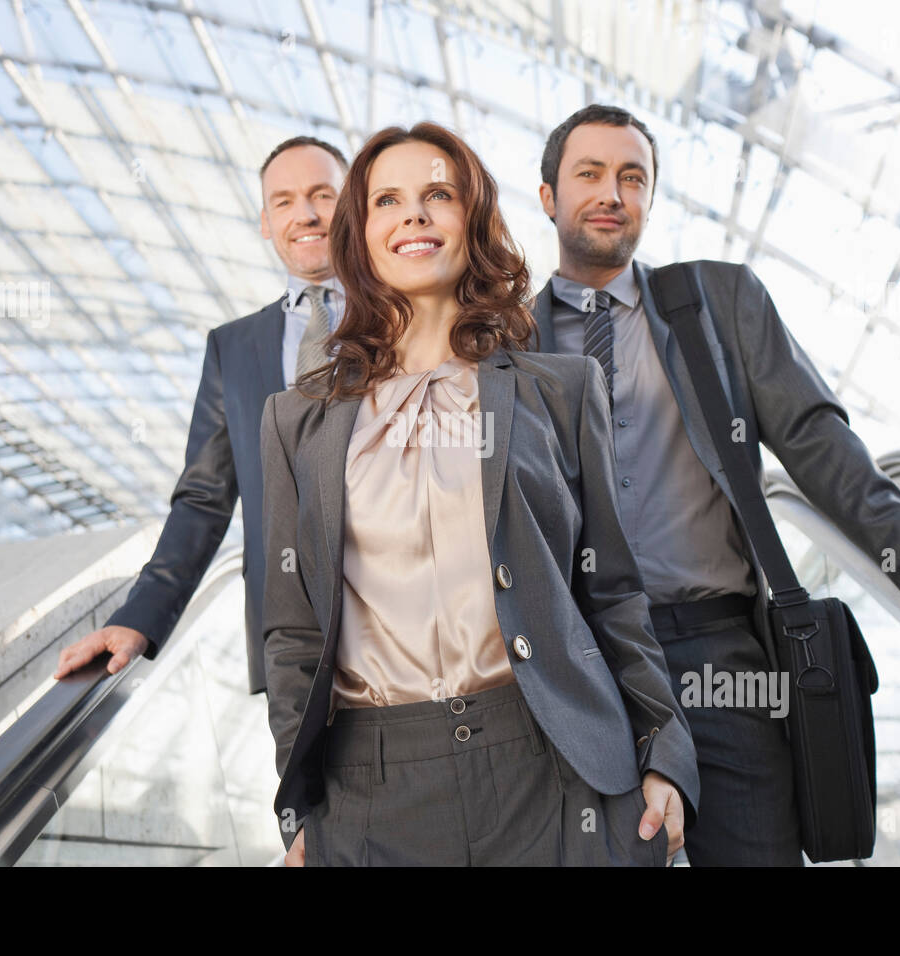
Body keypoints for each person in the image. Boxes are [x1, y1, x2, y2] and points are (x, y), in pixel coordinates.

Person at [530, 103, 900, 865]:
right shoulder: (507, 338)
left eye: (632, 176)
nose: (613, 192)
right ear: (548, 196)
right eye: (590, 174)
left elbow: (815, 439)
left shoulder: (717, 302)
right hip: (577, 663)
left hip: (717, 653)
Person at [259, 121, 699, 866]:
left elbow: (613, 592)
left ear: (476, 220)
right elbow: (293, 631)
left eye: (439, 194)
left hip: (553, 766)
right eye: (387, 200)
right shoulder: (297, 420)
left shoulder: (559, 390)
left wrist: (664, 750)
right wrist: (297, 804)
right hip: (371, 789)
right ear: (360, 236)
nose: (415, 215)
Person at [54, 136, 350, 693]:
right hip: (291, 645)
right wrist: (139, 615)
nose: (306, 214)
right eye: (284, 201)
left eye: (323, 195)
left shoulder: (407, 314)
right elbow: (205, 496)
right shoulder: (233, 348)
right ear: (266, 222)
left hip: (412, 628)